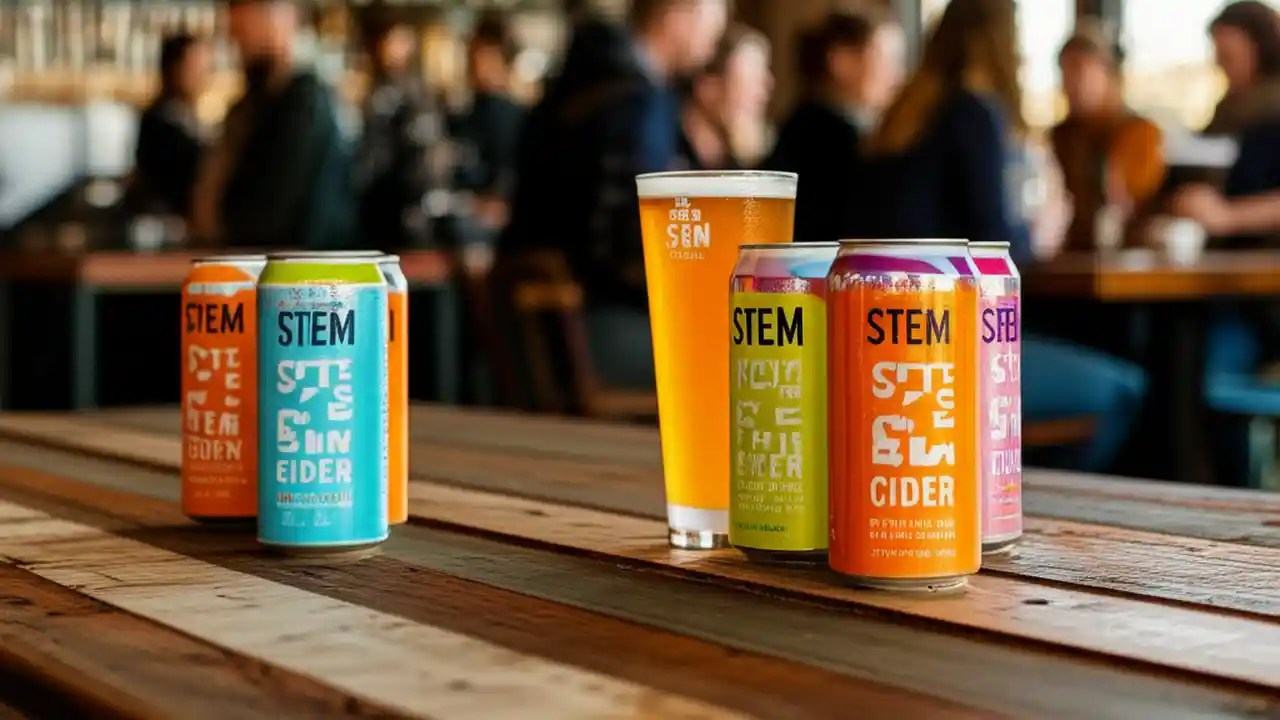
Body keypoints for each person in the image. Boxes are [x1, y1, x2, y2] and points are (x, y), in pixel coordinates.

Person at [855, 0, 1145, 473]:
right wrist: (1042, 230)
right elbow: (992, 247)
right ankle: (1025, 491)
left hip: (877, 344)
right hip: (949, 345)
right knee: (1125, 390)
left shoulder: (902, 116)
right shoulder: (973, 113)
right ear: (1004, 42)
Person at [502, 1, 726, 390]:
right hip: (593, 327)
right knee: (742, 361)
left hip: (538, 334)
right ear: (676, 13)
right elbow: (632, 246)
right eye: (713, 21)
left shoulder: (574, 84)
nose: (714, 41)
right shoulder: (636, 103)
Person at [192, 0, 356, 249]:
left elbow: (269, 213)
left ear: (283, 21)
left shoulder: (302, 101)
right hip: (266, 259)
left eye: (243, 33)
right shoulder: (253, 104)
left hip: (301, 265)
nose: (238, 47)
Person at [765, 10, 903, 244]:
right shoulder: (822, 140)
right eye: (886, 59)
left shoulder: (818, 127)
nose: (897, 75)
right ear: (841, 61)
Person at [1051, 24, 1164, 251]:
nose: (1070, 84)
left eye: (1079, 70)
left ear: (1108, 74)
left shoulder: (1141, 133)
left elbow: (1134, 207)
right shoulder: (1061, 136)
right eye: (1064, 73)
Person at [355, 10, 445, 250]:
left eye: (397, 39)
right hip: (372, 209)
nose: (389, 47)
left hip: (406, 211)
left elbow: (424, 157)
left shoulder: (415, 93)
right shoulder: (372, 89)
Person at [450, 13, 525, 233]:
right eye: (472, 54)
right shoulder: (465, 114)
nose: (474, 63)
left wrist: (496, 200)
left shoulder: (510, 115)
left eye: (484, 55)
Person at [134, 34, 210, 217]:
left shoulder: (189, 119)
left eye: (206, 68)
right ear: (174, 69)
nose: (203, 77)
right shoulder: (160, 124)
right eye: (195, 68)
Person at [678, 24, 772, 170]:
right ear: (708, 89)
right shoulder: (661, 153)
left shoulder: (740, 166)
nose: (762, 97)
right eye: (750, 83)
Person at [1205, 1, 1280, 137]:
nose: (1218, 64)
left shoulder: (1270, 115)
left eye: (1227, 57)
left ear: (1261, 50)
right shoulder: (1230, 107)